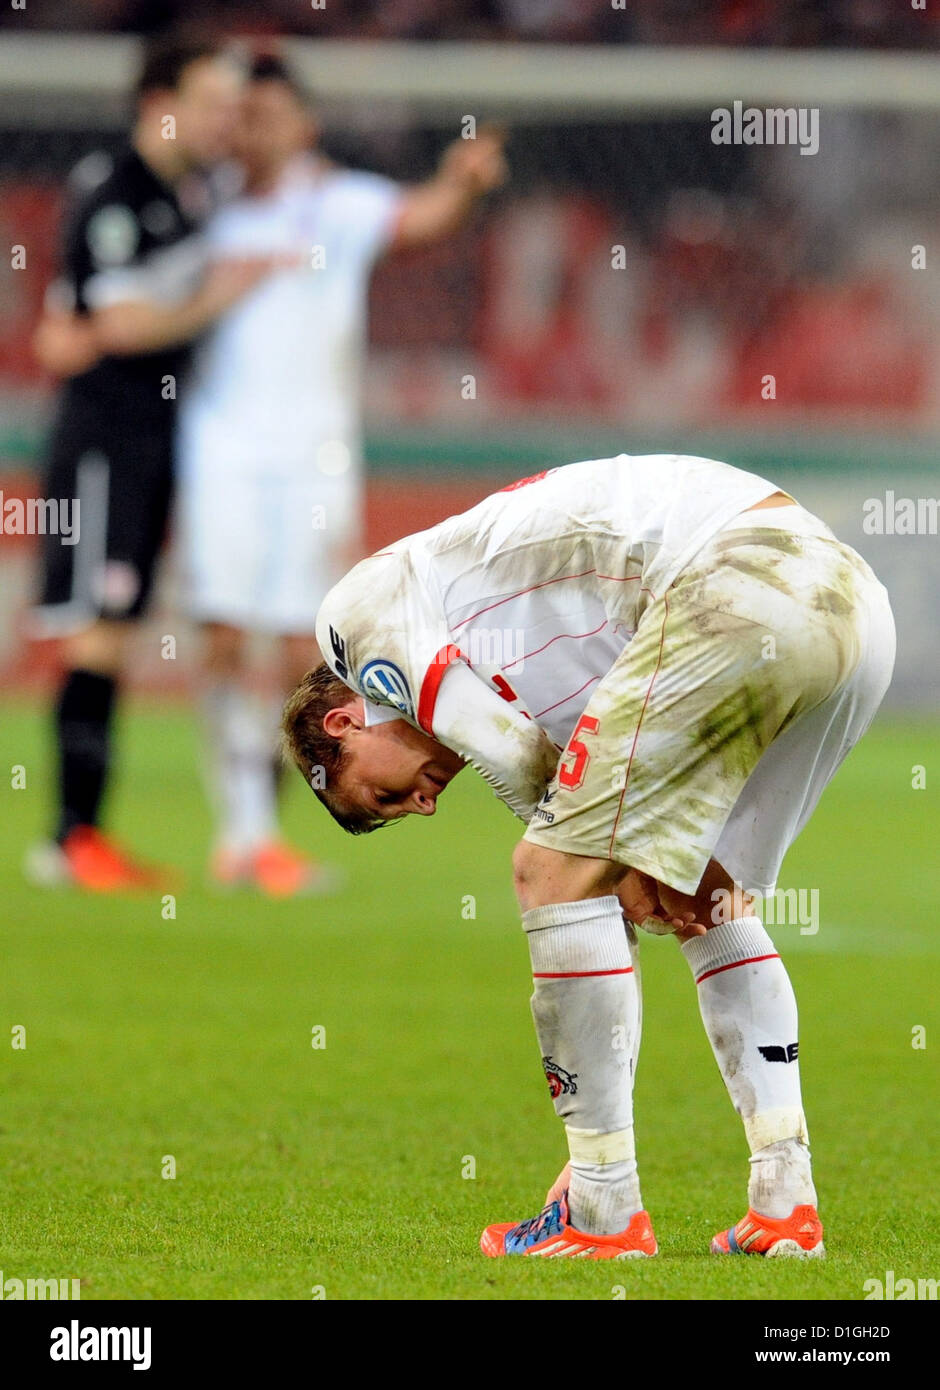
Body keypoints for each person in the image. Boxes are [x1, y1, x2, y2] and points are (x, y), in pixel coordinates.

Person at [281, 452, 895, 1259]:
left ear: (343, 725)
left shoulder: (352, 619)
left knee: (548, 870)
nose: (425, 804)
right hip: (849, 607)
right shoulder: (542, 663)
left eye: (385, 795)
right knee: (706, 903)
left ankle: (602, 1208)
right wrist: (624, 867)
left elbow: (510, 756)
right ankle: (785, 1201)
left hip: (735, 582)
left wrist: (600, 861)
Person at [176, 55, 508, 895]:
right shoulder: (198, 206)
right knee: (220, 634)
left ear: (303, 125)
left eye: (269, 113)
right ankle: (239, 831)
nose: (251, 128)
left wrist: (463, 183)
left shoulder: (338, 203)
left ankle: (266, 837)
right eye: (240, 114)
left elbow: (424, 218)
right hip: (219, 446)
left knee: (301, 646)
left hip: (316, 452)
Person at [27, 40, 274, 892]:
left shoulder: (191, 192)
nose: (224, 121)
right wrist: (221, 293)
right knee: (97, 629)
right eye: (210, 100)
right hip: (103, 442)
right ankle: (70, 838)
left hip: (154, 442)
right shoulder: (114, 187)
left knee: (118, 630)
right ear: (158, 99)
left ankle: (85, 838)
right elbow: (121, 323)